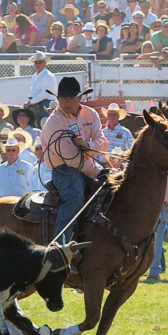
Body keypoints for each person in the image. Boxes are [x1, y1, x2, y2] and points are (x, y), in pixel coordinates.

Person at [40, 76, 107, 243]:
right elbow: (70, 158)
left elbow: (103, 142)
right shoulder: (53, 123)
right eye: (63, 99)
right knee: (74, 197)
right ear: (58, 99)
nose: (67, 103)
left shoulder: (90, 114)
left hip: (88, 165)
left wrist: (88, 144)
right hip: (64, 170)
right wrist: (98, 172)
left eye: (71, 98)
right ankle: (59, 246)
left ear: (79, 98)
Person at [0, 136, 33, 202]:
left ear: (18, 151)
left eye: (13, 150)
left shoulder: (27, 167)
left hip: (20, 205)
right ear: (5, 151)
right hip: (3, 205)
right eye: (8, 150)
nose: (11, 152)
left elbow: (32, 187)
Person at [25, 50, 58, 118]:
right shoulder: (35, 76)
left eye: (40, 62)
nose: (38, 64)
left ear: (44, 63)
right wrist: (30, 101)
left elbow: (44, 94)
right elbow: (33, 91)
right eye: (36, 63)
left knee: (45, 117)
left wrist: (31, 102)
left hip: (47, 101)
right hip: (36, 100)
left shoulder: (49, 76)